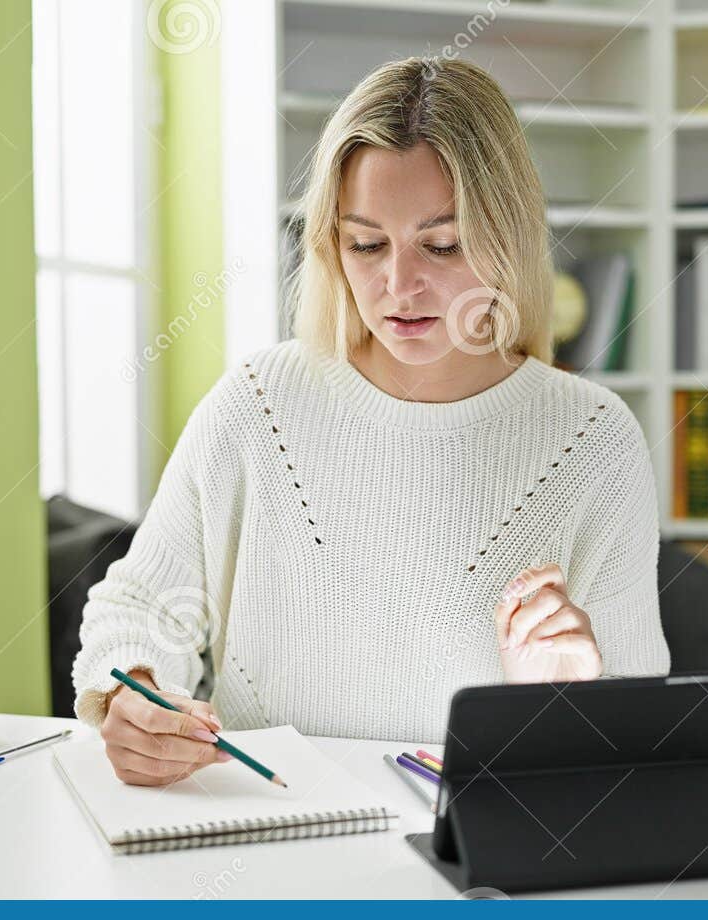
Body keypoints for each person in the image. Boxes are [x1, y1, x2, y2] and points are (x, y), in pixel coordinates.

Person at [72, 56, 670, 786]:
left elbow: (638, 738)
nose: (399, 285)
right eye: (366, 243)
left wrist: (566, 701)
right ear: (331, 244)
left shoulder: (592, 439)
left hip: (468, 863)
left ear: (506, 236)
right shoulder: (258, 403)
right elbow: (136, 604)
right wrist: (133, 693)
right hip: (267, 844)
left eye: (441, 244)